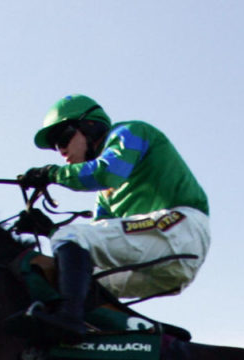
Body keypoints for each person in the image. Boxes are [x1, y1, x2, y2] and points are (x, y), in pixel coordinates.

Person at [17, 94, 211, 337]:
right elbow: (96, 242)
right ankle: (146, 330)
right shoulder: (107, 195)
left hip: (180, 227)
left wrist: (52, 174)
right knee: (70, 278)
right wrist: (49, 230)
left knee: (73, 238)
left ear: (89, 125)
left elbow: (108, 172)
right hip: (161, 259)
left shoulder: (131, 132)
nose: (61, 149)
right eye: (56, 145)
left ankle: (68, 321)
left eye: (63, 137)